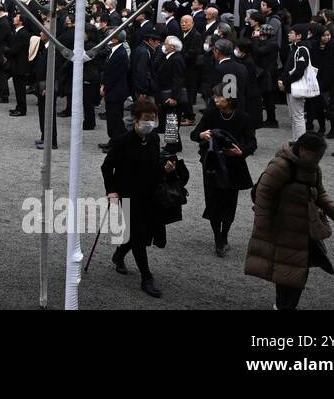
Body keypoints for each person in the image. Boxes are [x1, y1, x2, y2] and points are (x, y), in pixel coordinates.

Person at [245, 133, 334, 311]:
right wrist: (263, 225)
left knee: (297, 270)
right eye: (315, 156)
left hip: (305, 229)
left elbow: (320, 193)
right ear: (302, 150)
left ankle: (284, 306)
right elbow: (263, 196)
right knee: (288, 273)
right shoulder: (281, 166)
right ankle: (283, 306)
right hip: (284, 229)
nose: (318, 160)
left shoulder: (313, 168)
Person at [103, 99, 185, 298]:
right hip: (128, 193)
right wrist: (111, 190)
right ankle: (146, 277)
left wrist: (165, 169)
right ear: (136, 120)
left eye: (153, 119)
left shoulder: (155, 139)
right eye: (146, 119)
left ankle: (120, 254)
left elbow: (152, 167)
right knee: (138, 233)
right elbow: (107, 167)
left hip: (150, 192)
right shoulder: (122, 141)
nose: (150, 122)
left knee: (144, 231)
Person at [192, 93, 255, 256]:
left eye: (219, 96)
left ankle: (224, 235)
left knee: (229, 201)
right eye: (214, 96)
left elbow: (252, 142)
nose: (215, 99)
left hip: (233, 163)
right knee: (213, 200)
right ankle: (217, 238)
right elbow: (194, 133)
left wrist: (242, 152)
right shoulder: (211, 114)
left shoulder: (243, 117)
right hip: (213, 162)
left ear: (230, 100)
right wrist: (202, 135)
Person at [277, 25, 314, 140]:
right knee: (294, 116)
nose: (288, 34)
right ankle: (295, 140)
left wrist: (285, 81)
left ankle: (300, 142)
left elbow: (299, 71)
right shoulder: (295, 47)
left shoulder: (302, 49)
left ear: (299, 36)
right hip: (291, 86)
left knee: (297, 116)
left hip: (296, 86)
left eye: (291, 33)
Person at [100, 28, 130, 151]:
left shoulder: (121, 53)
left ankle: (117, 144)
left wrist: (105, 87)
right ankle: (113, 141)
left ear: (115, 39)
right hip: (113, 90)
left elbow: (114, 74)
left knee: (115, 119)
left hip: (116, 91)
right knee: (112, 118)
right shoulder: (115, 51)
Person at [32, 27, 57, 149]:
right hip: (41, 83)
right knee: (43, 113)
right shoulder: (46, 47)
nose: (40, 33)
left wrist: (49, 86)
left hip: (47, 85)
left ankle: (51, 141)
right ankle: (44, 137)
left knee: (48, 114)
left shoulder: (52, 49)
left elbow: (54, 71)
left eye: (42, 32)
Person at [156, 35, 187, 128]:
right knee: (169, 125)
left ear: (172, 47)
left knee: (171, 126)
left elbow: (178, 80)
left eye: (165, 43)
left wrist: (174, 97)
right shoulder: (169, 57)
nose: (163, 45)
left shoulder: (176, 59)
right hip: (165, 93)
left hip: (171, 96)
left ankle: (173, 142)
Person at [8, 11, 34, 116]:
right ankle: (19, 107)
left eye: (16, 17)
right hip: (17, 64)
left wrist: (4, 50)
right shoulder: (18, 31)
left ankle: (22, 109)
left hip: (20, 65)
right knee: (18, 88)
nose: (14, 18)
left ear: (21, 21)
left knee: (20, 89)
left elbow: (14, 50)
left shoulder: (23, 34)